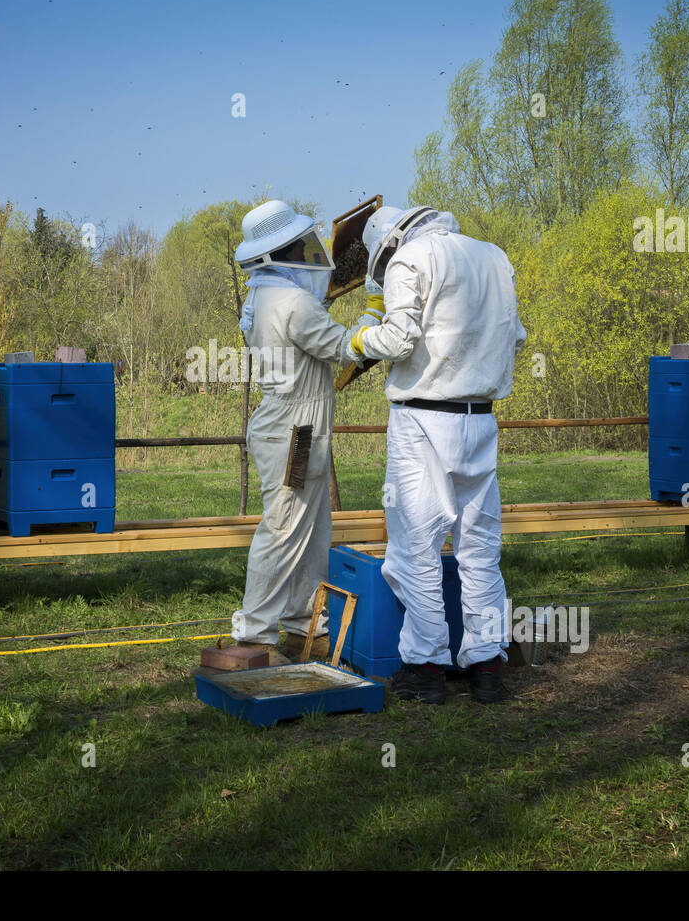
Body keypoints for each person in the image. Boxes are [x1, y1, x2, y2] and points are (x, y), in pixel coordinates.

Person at [352, 206, 526, 703]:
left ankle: (426, 669)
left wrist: (357, 338)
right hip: (482, 419)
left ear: (389, 244)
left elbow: (398, 338)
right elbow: (516, 337)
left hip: (422, 419)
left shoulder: (410, 259)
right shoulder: (494, 256)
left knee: (415, 548)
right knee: (479, 549)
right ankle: (487, 666)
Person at [225, 200, 381, 663]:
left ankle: (302, 629)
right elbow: (343, 350)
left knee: (311, 535)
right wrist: (375, 308)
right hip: (297, 434)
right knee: (284, 529)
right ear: (283, 251)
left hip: (288, 427)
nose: (308, 250)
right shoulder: (293, 303)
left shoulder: (265, 295)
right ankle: (253, 635)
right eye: (299, 244)